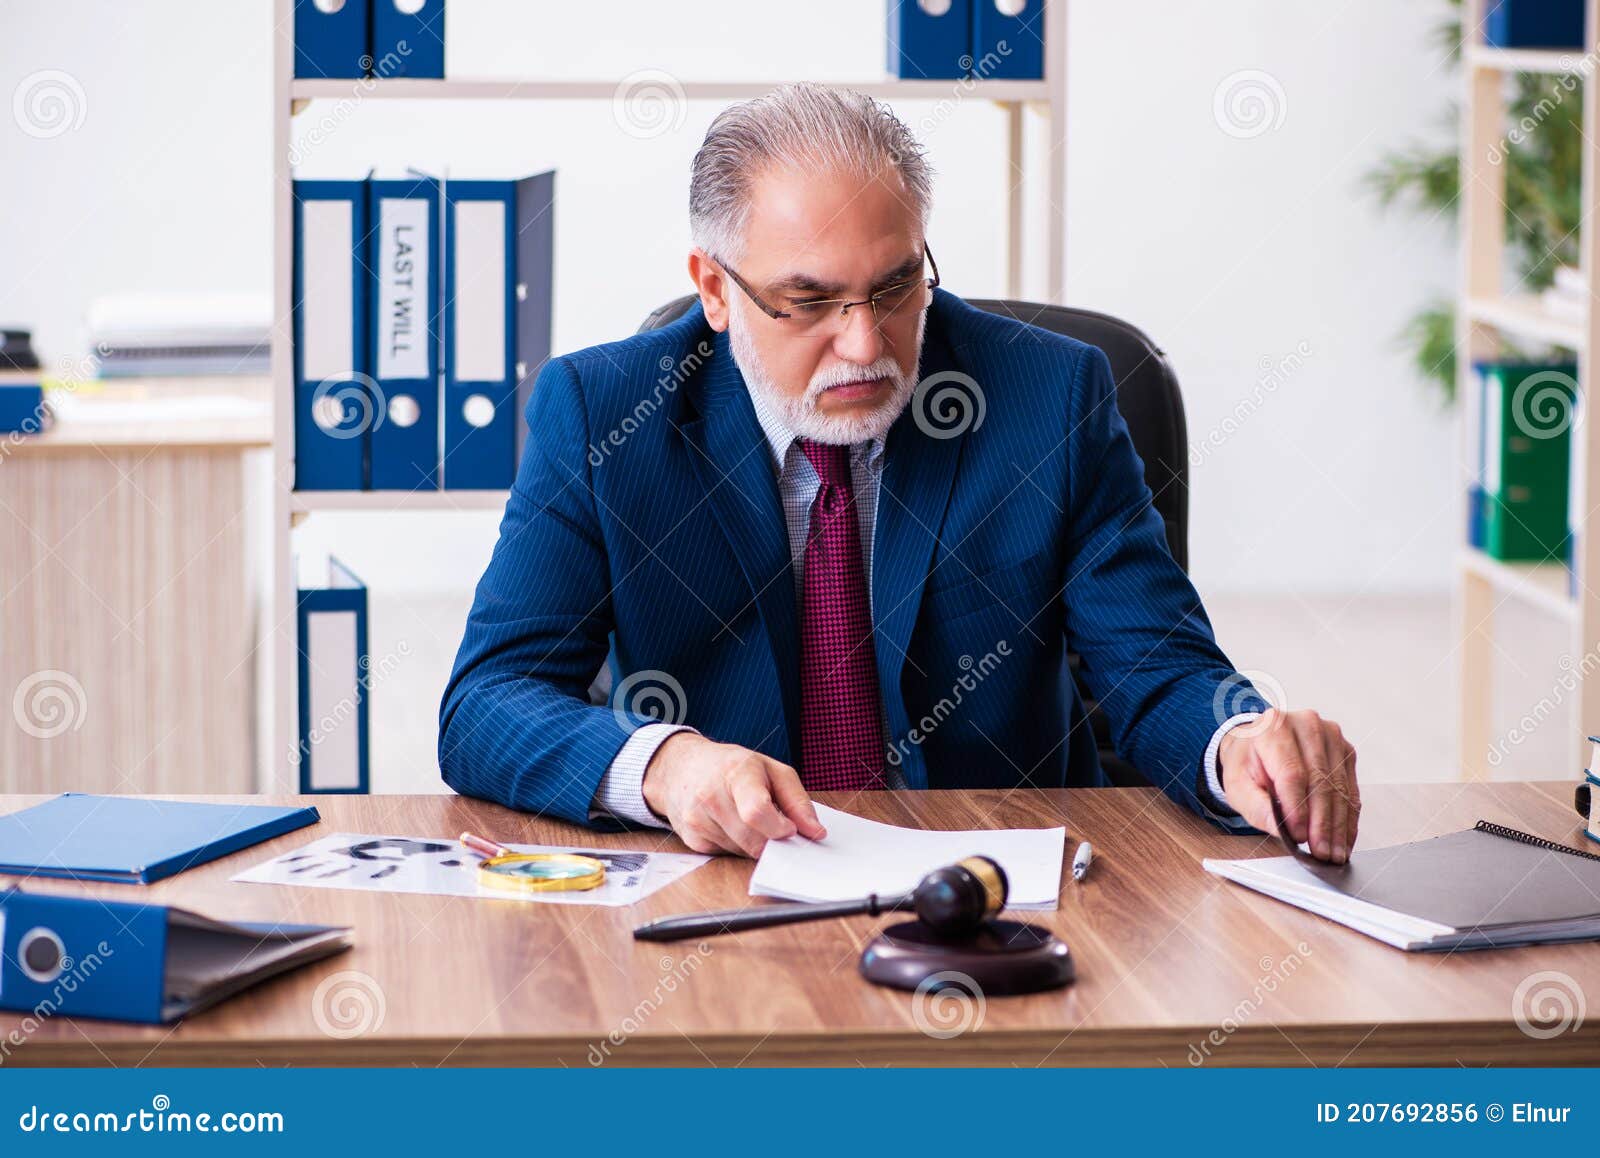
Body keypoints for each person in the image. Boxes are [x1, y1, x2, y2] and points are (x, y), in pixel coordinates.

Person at [439, 83, 1359, 863]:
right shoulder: (606, 414)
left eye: (894, 286)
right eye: (808, 303)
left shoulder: (1050, 395)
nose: (865, 345)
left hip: (1000, 883)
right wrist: (667, 767)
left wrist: (1239, 741)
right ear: (716, 290)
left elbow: (1155, 665)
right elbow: (485, 703)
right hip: (726, 885)